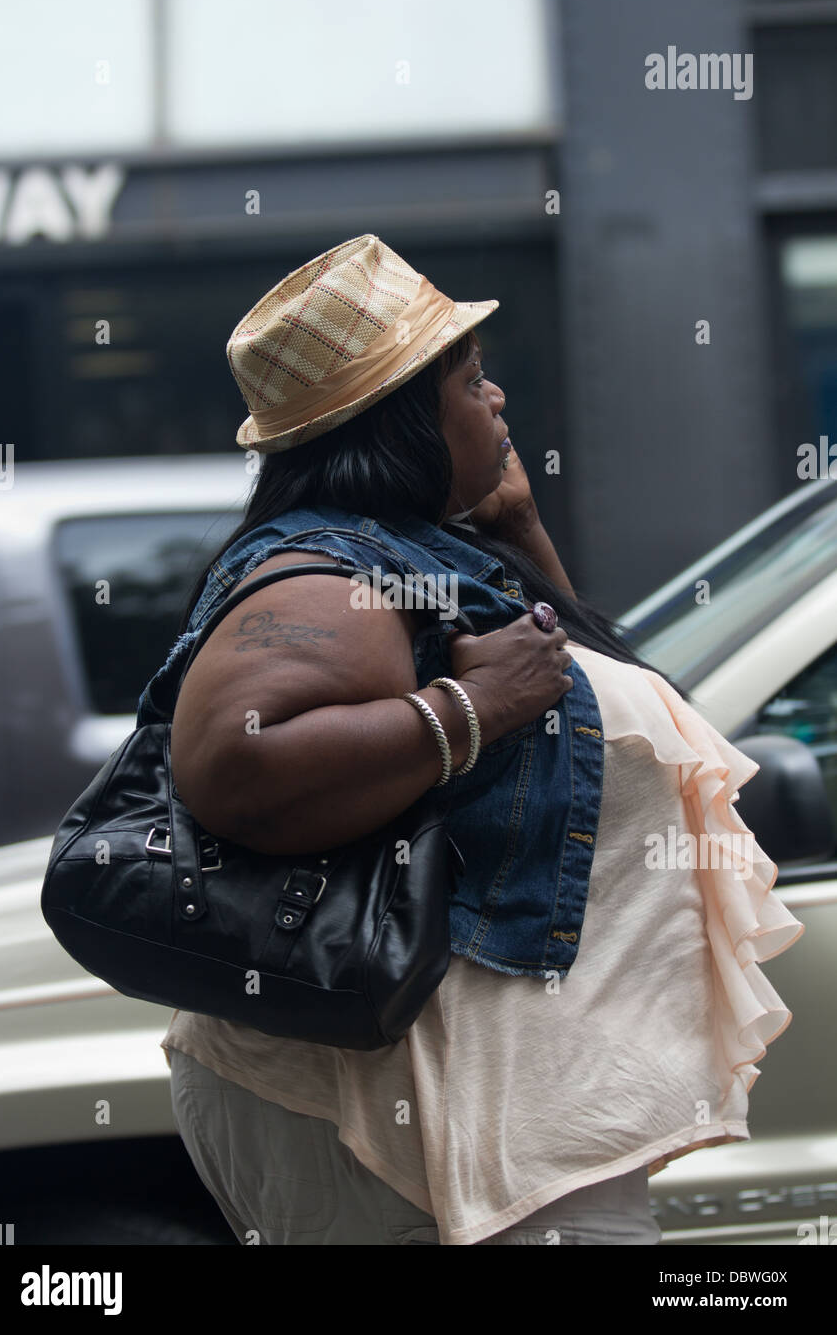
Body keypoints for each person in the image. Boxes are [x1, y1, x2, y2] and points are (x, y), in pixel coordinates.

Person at [135, 233, 804, 1246]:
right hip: (406, 1127)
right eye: (471, 380)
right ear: (401, 417)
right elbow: (237, 759)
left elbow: (570, 722)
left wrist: (518, 537)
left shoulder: (418, 558)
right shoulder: (332, 572)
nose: (495, 401)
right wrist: (469, 712)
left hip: (501, 1124)